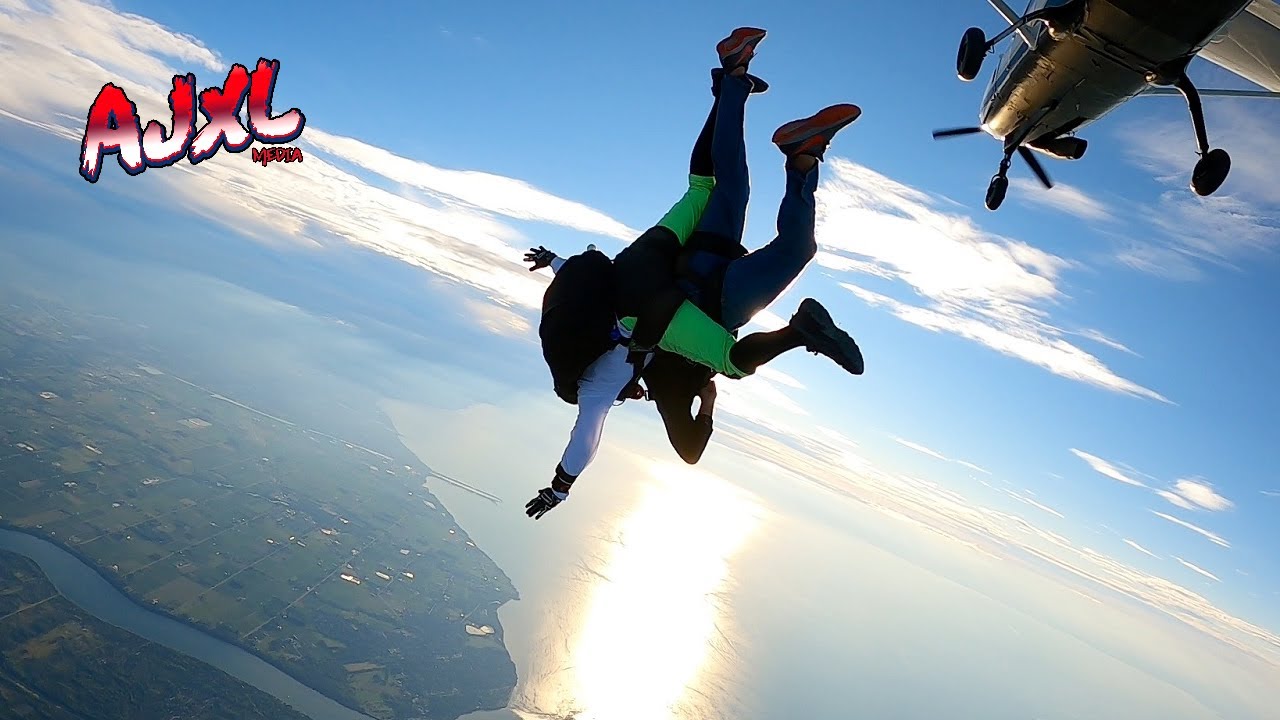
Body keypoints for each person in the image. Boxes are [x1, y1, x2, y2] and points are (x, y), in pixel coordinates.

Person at [524, 28, 865, 519]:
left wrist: (561, 488)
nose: (632, 395)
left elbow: (592, 439)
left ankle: (799, 330)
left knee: (736, 352)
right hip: (661, 261)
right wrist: (554, 262)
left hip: (681, 304)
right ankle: (738, 84)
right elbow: (578, 278)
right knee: (712, 188)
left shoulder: (603, 387)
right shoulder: (595, 311)